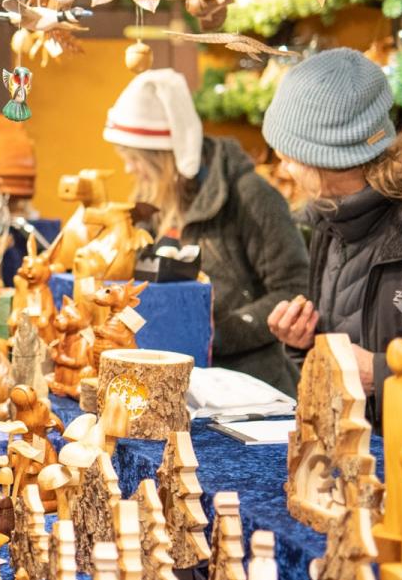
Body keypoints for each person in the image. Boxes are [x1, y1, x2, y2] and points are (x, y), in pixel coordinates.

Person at [262, 47, 402, 423]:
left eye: (288, 156)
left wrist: (380, 374)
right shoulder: (334, 219)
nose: (282, 165)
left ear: (326, 159)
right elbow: (350, 347)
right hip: (359, 453)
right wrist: (307, 346)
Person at [103, 68, 309, 395]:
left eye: (137, 159)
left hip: (251, 389)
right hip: (176, 381)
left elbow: (295, 288)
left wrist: (212, 331)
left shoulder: (250, 196)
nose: (130, 169)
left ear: (167, 156)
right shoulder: (150, 198)